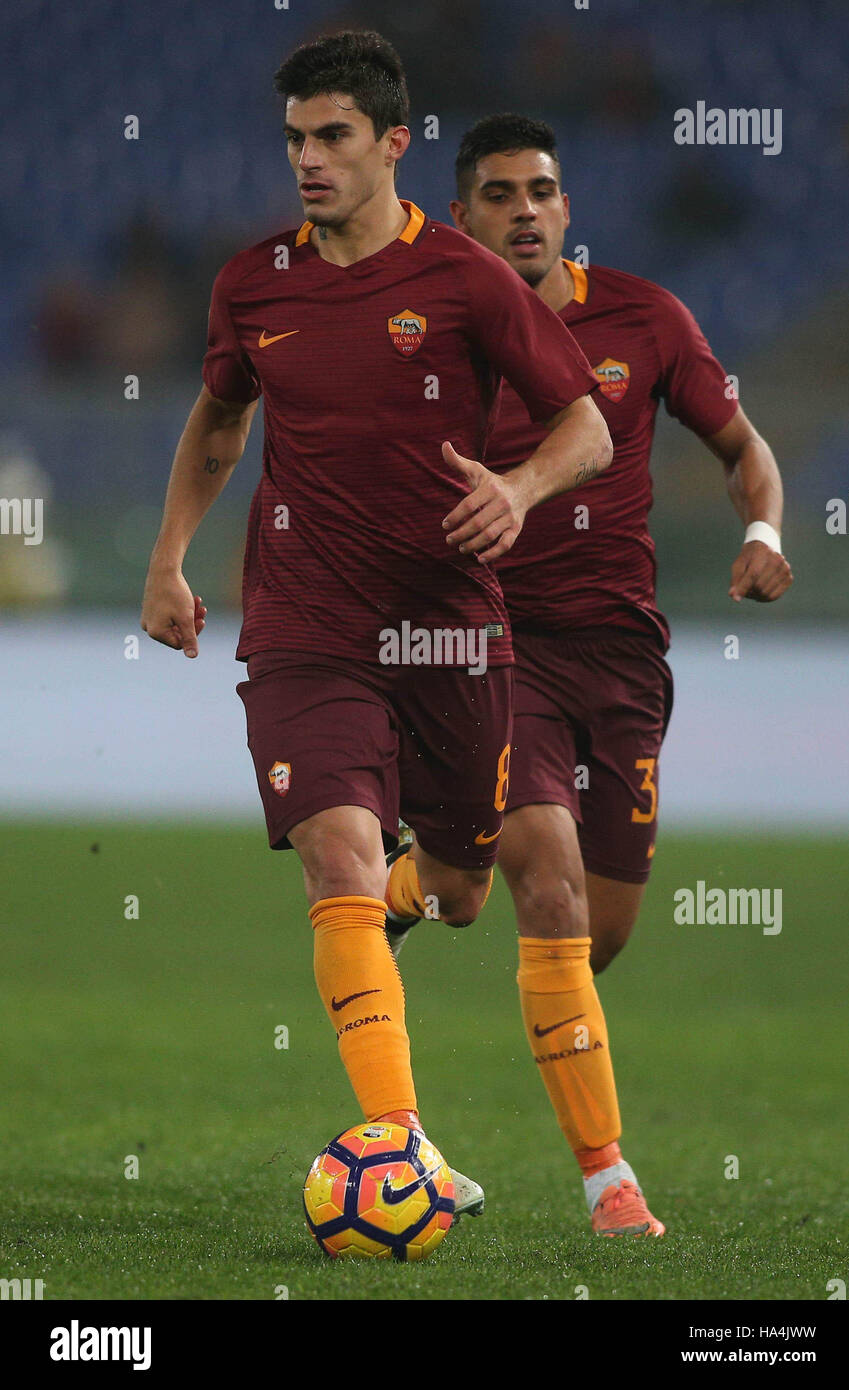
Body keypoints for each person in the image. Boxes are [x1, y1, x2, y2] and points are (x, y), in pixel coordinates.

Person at [140, 46, 611, 1220]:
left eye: (333, 137)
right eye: (296, 138)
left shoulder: (462, 279)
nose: (307, 159)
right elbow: (217, 417)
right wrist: (167, 562)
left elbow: (585, 428)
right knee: (335, 856)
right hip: (305, 622)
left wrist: (515, 488)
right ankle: (397, 1147)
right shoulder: (254, 285)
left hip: (450, 632)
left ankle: (420, 893)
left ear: (393, 143)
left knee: (458, 887)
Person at [386, 113, 791, 1236]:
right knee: (547, 885)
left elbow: (742, 449)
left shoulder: (645, 319)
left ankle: (404, 884)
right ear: (457, 215)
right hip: (486, 643)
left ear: (567, 208)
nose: (524, 209)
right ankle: (610, 1183)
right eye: (500, 193)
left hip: (619, 660)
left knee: (592, 932)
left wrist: (762, 531)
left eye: (542, 191)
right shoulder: (421, 334)